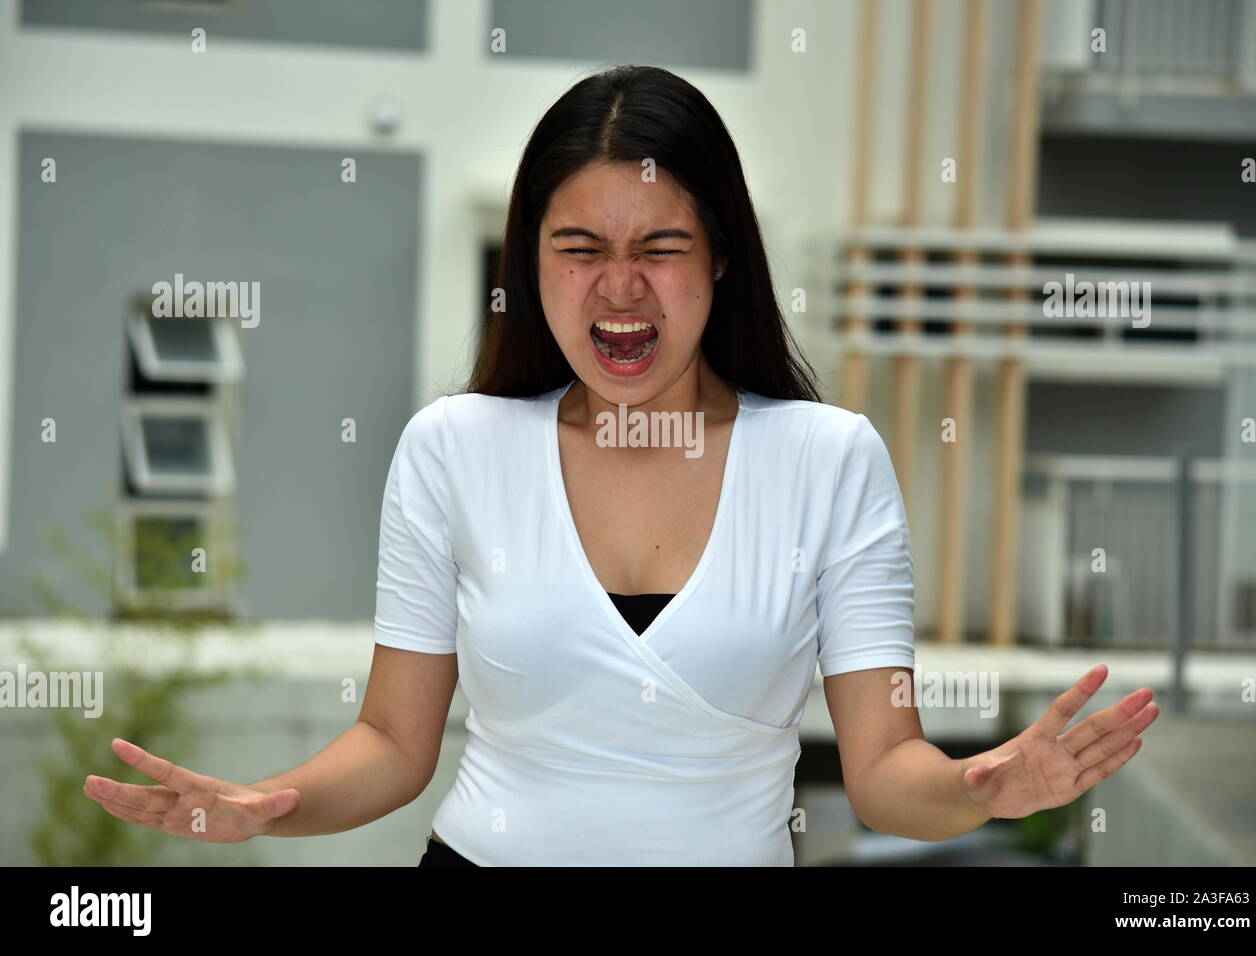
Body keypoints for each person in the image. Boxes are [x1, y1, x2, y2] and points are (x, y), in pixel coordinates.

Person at [82, 65, 1159, 866]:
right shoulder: (451, 448)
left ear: (723, 257)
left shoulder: (829, 460)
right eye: (581, 248)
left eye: (660, 248)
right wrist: (261, 800)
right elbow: (393, 740)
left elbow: (883, 770)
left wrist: (988, 786)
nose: (619, 289)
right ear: (529, 261)